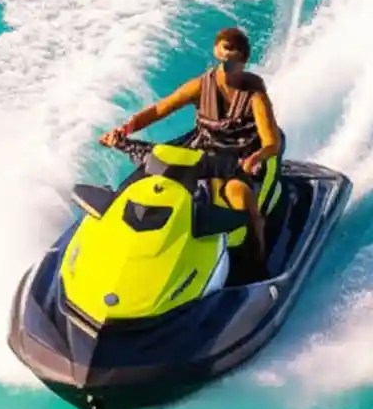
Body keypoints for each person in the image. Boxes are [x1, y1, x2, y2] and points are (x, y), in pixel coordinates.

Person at [99, 27, 282, 261]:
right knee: (155, 180)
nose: (229, 55)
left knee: (240, 196)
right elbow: (159, 109)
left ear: (243, 60)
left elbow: (272, 142)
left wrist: (254, 159)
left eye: (235, 52)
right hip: (202, 154)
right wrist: (126, 128)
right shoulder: (200, 86)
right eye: (225, 48)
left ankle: (257, 258)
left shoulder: (254, 95)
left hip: (240, 159)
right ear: (216, 50)